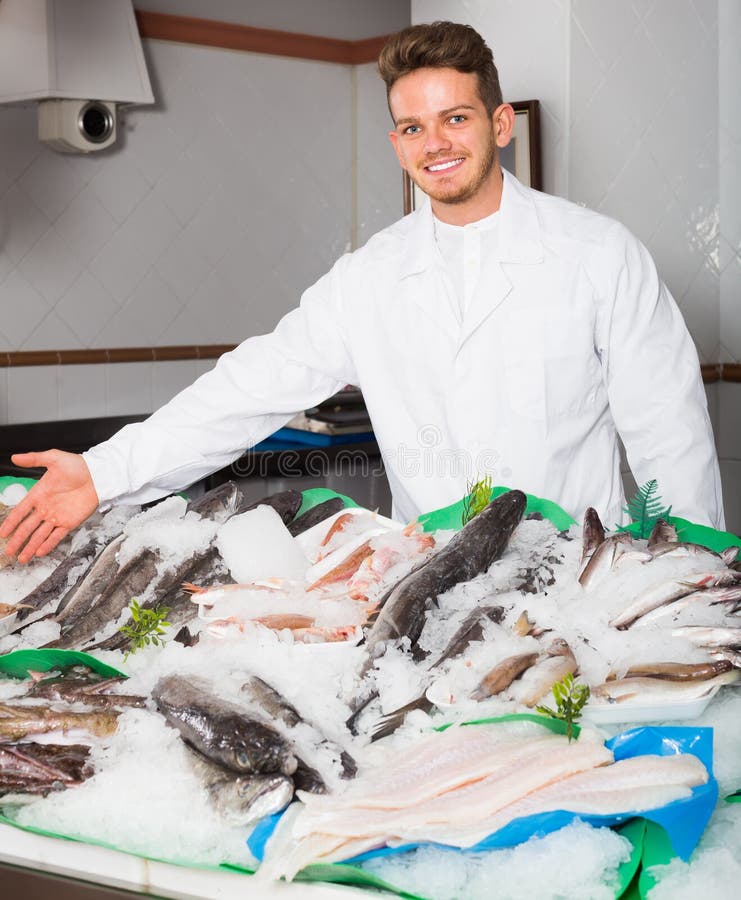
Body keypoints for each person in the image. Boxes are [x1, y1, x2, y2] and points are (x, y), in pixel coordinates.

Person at [0, 21, 724, 564]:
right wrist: (103, 471)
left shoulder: (599, 254)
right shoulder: (368, 276)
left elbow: (670, 433)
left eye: (456, 118)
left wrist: (695, 582)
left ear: (500, 125)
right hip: (429, 583)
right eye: (413, 126)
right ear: (396, 144)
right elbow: (247, 389)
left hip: (574, 578)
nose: (434, 142)